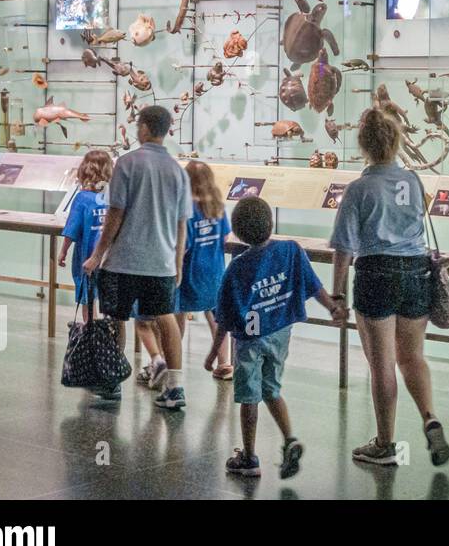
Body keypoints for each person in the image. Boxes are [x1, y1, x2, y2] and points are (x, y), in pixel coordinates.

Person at [330, 108, 449, 468]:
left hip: (376, 273)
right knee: (412, 357)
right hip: (415, 272)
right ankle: (430, 417)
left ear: (363, 145)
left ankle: (385, 444)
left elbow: (344, 248)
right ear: (397, 141)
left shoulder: (358, 189)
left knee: (381, 363)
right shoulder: (412, 181)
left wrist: (336, 296)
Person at [207, 196, 341, 478]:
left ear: (239, 232)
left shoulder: (236, 269)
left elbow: (224, 317)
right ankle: (289, 438)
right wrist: (332, 307)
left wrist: (212, 353)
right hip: (280, 333)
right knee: (272, 389)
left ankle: (249, 456)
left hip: (250, 340)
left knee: (248, 397)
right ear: (270, 223)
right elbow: (314, 286)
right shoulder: (291, 250)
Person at [83, 104, 192, 409]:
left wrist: (97, 254)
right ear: (167, 130)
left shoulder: (127, 163)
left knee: (116, 318)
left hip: (124, 261)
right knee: (165, 317)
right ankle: (175, 386)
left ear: (143, 127)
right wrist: (178, 264)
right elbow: (182, 223)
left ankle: (113, 382)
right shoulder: (177, 171)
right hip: (161, 262)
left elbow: (115, 214)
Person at [180, 161, 232, 380]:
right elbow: (226, 236)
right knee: (217, 318)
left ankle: (171, 359)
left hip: (191, 270)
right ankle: (225, 363)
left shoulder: (187, 210)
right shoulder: (218, 206)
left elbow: (184, 245)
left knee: (178, 313)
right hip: (215, 269)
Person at [58, 151, 113, 313]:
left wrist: (63, 251)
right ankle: (111, 335)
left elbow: (72, 229)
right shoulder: (113, 196)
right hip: (111, 256)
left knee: (87, 297)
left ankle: (91, 332)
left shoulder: (82, 198)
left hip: (87, 255)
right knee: (111, 298)